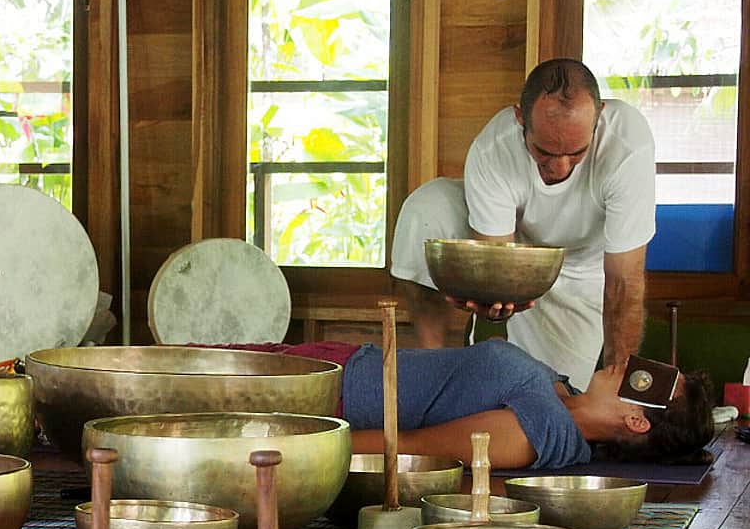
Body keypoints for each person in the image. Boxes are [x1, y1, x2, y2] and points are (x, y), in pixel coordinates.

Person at [390, 58, 657, 390]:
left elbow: (624, 282)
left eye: (576, 153)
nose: (559, 167)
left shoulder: (627, 146)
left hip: (585, 267)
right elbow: (497, 262)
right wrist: (493, 302)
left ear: (599, 116)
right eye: (544, 152)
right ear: (520, 118)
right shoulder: (493, 148)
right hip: (519, 249)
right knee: (425, 209)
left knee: (563, 397)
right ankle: (433, 373)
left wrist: (619, 386)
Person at [247, 339, 713, 471]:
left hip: (318, 397)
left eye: (646, 381)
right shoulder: (562, 393)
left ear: (637, 420)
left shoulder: (536, 434)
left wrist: (289, 448)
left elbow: (409, 446)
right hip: (333, 361)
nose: (628, 362)